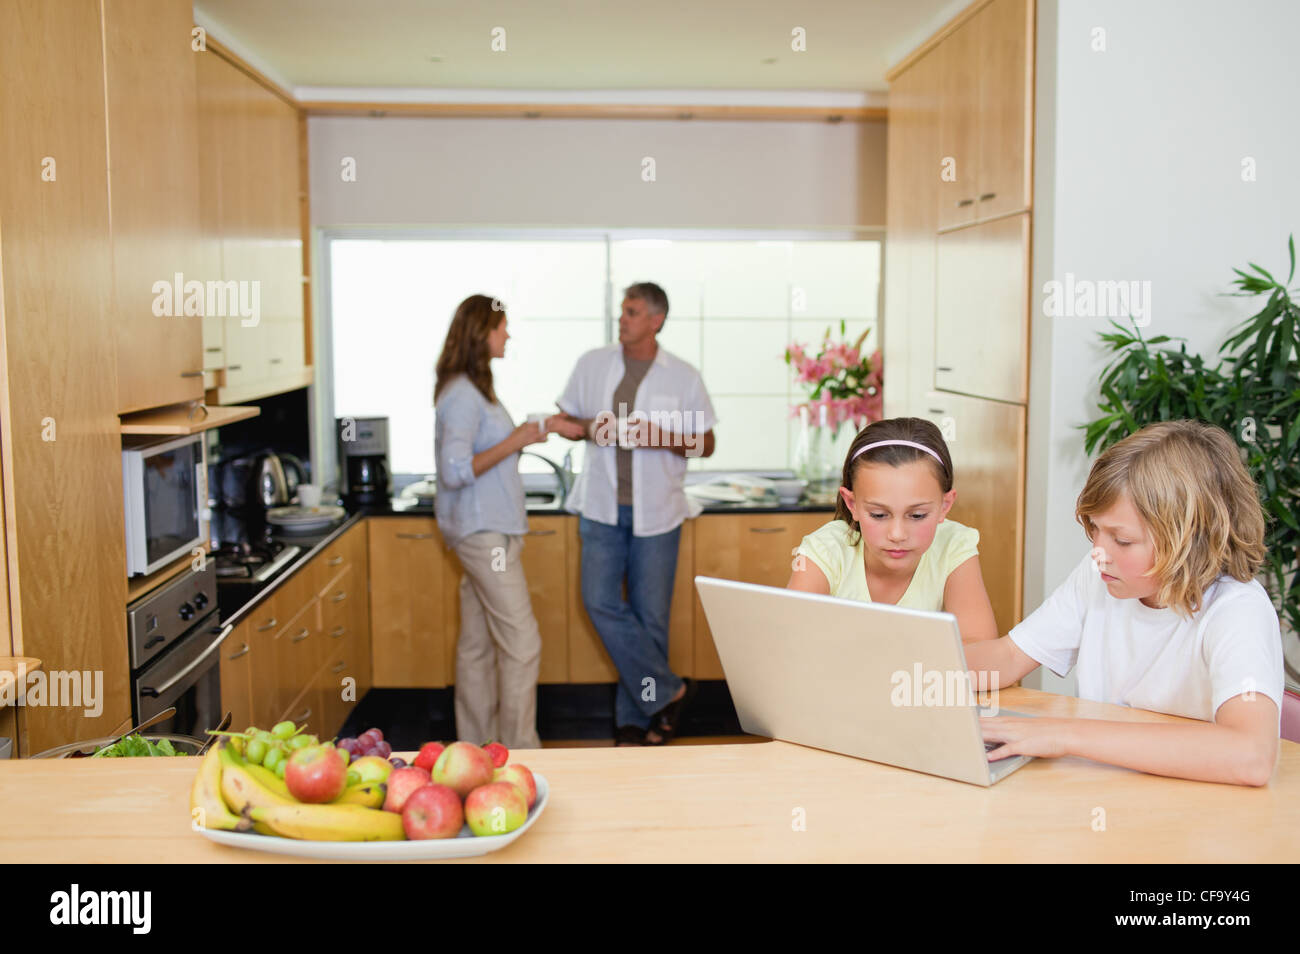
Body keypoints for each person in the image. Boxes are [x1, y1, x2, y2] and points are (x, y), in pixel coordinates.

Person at [967, 420, 1283, 786]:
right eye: (1096, 530)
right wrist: (908, 670)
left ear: (1189, 538)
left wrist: (1066, 734)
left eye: (1123, 540)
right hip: (1108, 793)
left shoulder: (1236, 611)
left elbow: (1251, 756)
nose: (1099, 553)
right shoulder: (1100, 575)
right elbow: (1008, 658)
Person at [555, 282, 717, 746]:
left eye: (631, 311)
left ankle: (638, 720)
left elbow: (706, 443)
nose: (622, 318)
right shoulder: (592, 363)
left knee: (651, 618)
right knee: (598, 601)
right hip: (602, 509)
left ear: (656, 320)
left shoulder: (682, 376)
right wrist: (591, 428)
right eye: (622, 311)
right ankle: (670, 693)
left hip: (658, 513)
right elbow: (567, 422)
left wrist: (660, 435)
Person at [433, 294, 583, 749]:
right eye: (502, 327)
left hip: (486, 530)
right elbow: (455, 469)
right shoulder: (462, 394)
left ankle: (477, 752)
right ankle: (521, 753)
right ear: (483, 332)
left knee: (477, 646)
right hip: (484, 535)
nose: (508, 334)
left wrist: (548, 425)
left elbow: (496, 445)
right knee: (522, 641)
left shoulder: (477, 391)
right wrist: (520, 437)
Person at [787, 417, 999, 642]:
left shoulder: (953, 545)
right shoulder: (825, 551)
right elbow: (790, 643)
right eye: (879, 515)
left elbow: (979, 651)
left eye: (917, 515)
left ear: (944, 506)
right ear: (852, 504)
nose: (897, 534)